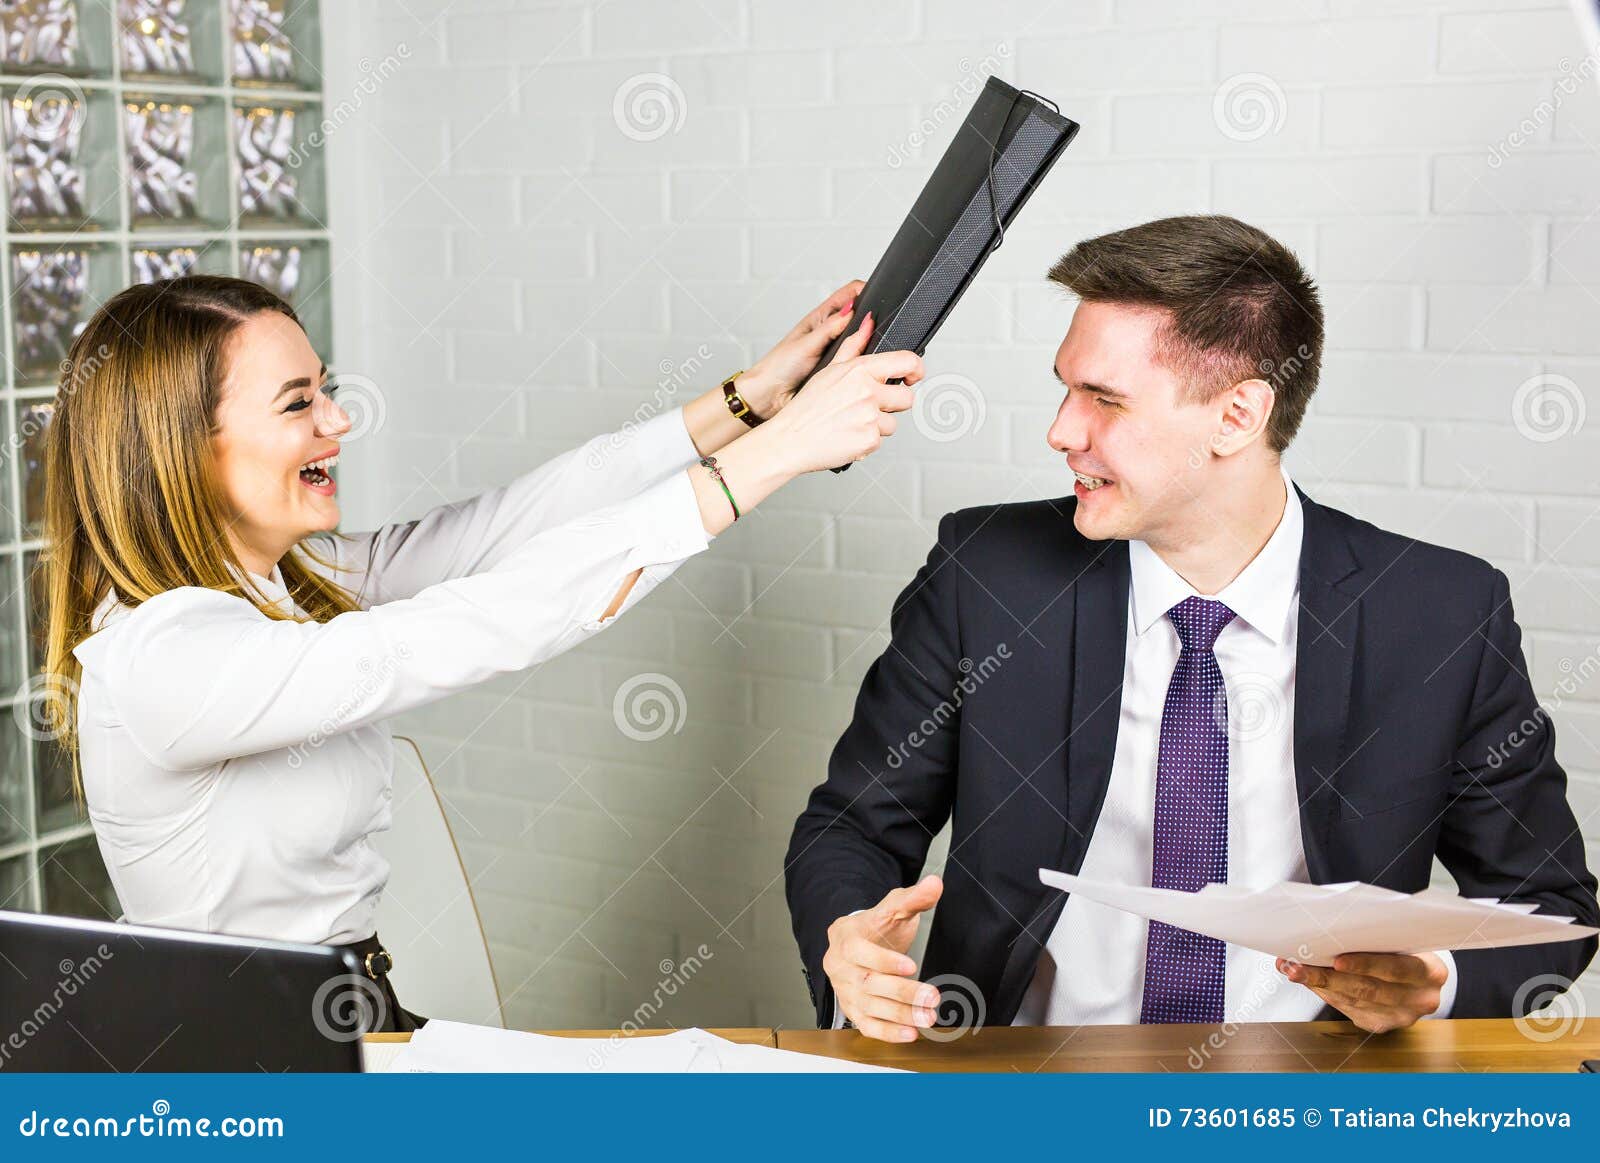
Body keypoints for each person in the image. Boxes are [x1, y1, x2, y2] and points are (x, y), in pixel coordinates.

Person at [785, 215, 1598, 1041]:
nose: (1061, 431)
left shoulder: (1440, 612)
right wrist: (847, 940)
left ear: (1238, 415)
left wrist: (1435, 981)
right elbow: (852, 825)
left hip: (1311, 1098)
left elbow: (1549, 900)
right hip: (1028, 1081)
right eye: (1066, 388)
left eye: (1104, 399)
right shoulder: (987, 575)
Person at [41, 274, 922, 1031]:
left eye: (327, 389)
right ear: (182, 451)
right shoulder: (166, 656)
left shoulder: (284, 583)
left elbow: (500, 528)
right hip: (243, 1066)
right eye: (299, 401)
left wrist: (747, 403)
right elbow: (482, 618)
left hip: (354, 1019)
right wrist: (775, 456)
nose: (339, 419)